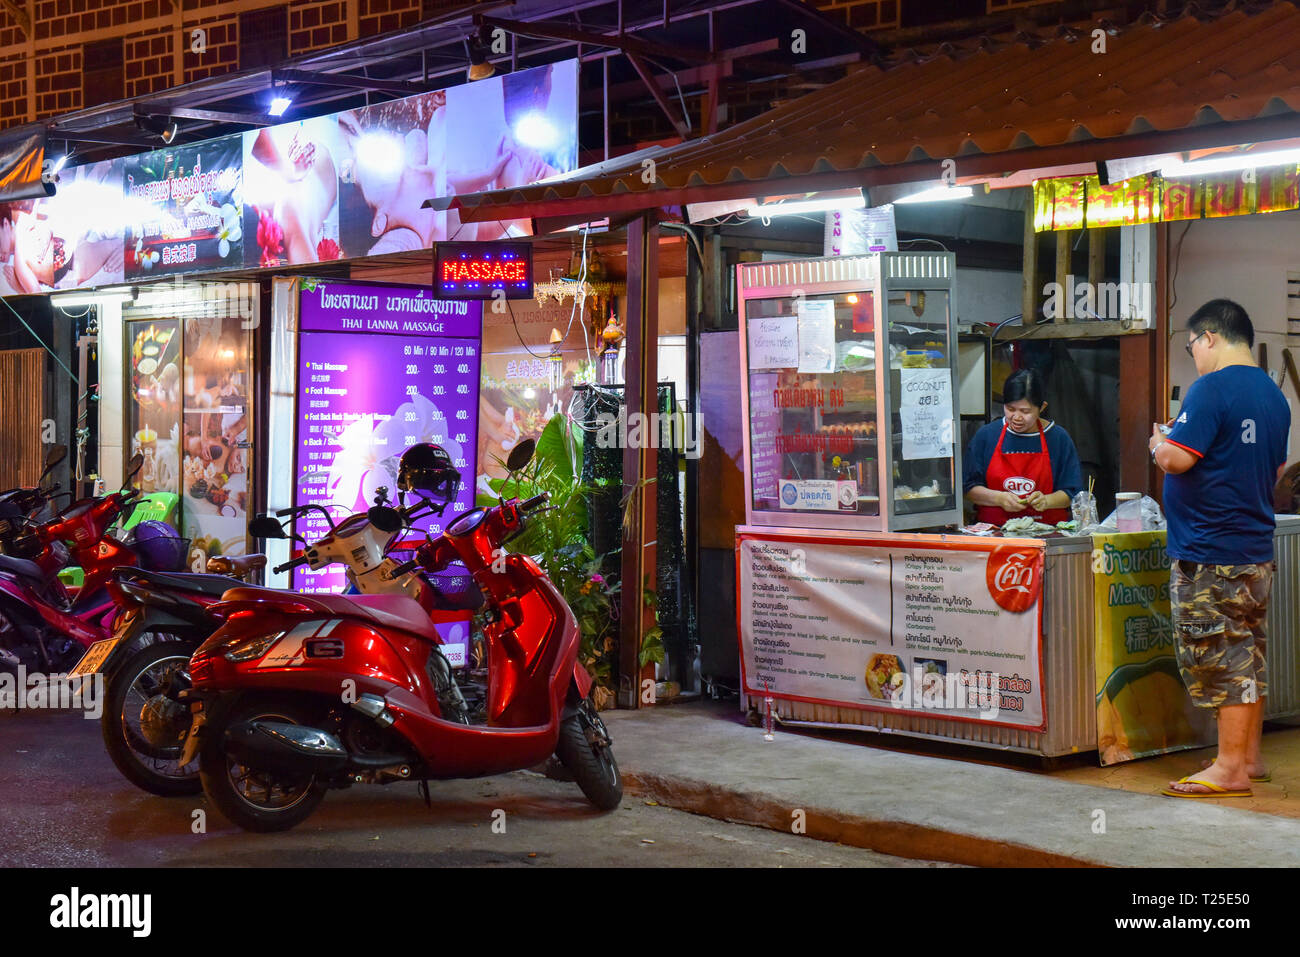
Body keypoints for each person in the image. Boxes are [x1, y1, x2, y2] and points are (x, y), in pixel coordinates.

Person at [1152, 299, 1290, 798]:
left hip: (1211, 553)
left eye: (1191, 347)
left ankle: (1229, 768)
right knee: (1246, 654)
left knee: (1218, 656)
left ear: (1209, 336)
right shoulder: (1275, 398)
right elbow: (1273, 472)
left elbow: (1176, 459)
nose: (1194, 357)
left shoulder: (1210, 388)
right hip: (1254, 552)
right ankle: (1246, 758)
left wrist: (1157, 441)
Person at [963, 368, 1083, 526]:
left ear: (1042, 407)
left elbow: (1072, 492)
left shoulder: (1058, 438)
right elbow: (968, 488)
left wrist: (1047, 501)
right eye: (1010, 409)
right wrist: (999, 498)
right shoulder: (987, 435)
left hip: (1047, 533)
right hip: (994, 533)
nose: (1017, 417)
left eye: (1025, 411)